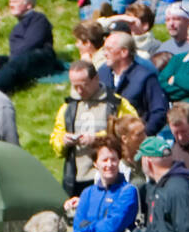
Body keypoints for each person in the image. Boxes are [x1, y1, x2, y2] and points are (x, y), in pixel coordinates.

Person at [51, 60, 137, 196]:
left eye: (83, 85)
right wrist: (63, 141)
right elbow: (56, 137)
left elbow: (133, 133)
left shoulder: (116, 103)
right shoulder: (68, 106)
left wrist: (97, 139)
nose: (79, 91)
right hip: (76, 178)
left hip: (110, 175)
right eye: (75, 86)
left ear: (96, 79)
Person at [0, 0, 62, 94]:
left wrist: (13, 60)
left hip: (40, 59)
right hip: (21, 59)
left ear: (29, 5)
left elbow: (31, 44)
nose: (11, 5)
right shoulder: (18, 26)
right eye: (10, 2)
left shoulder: (39, 19)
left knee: (16, 64)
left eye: (15, 2)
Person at [99, 30, 167, 134]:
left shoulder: (145, 77)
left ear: (124, 52)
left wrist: (142, 135)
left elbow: (159, 112)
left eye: (109, 49)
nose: (105, 54)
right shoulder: (102, 73)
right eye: (104, 49)